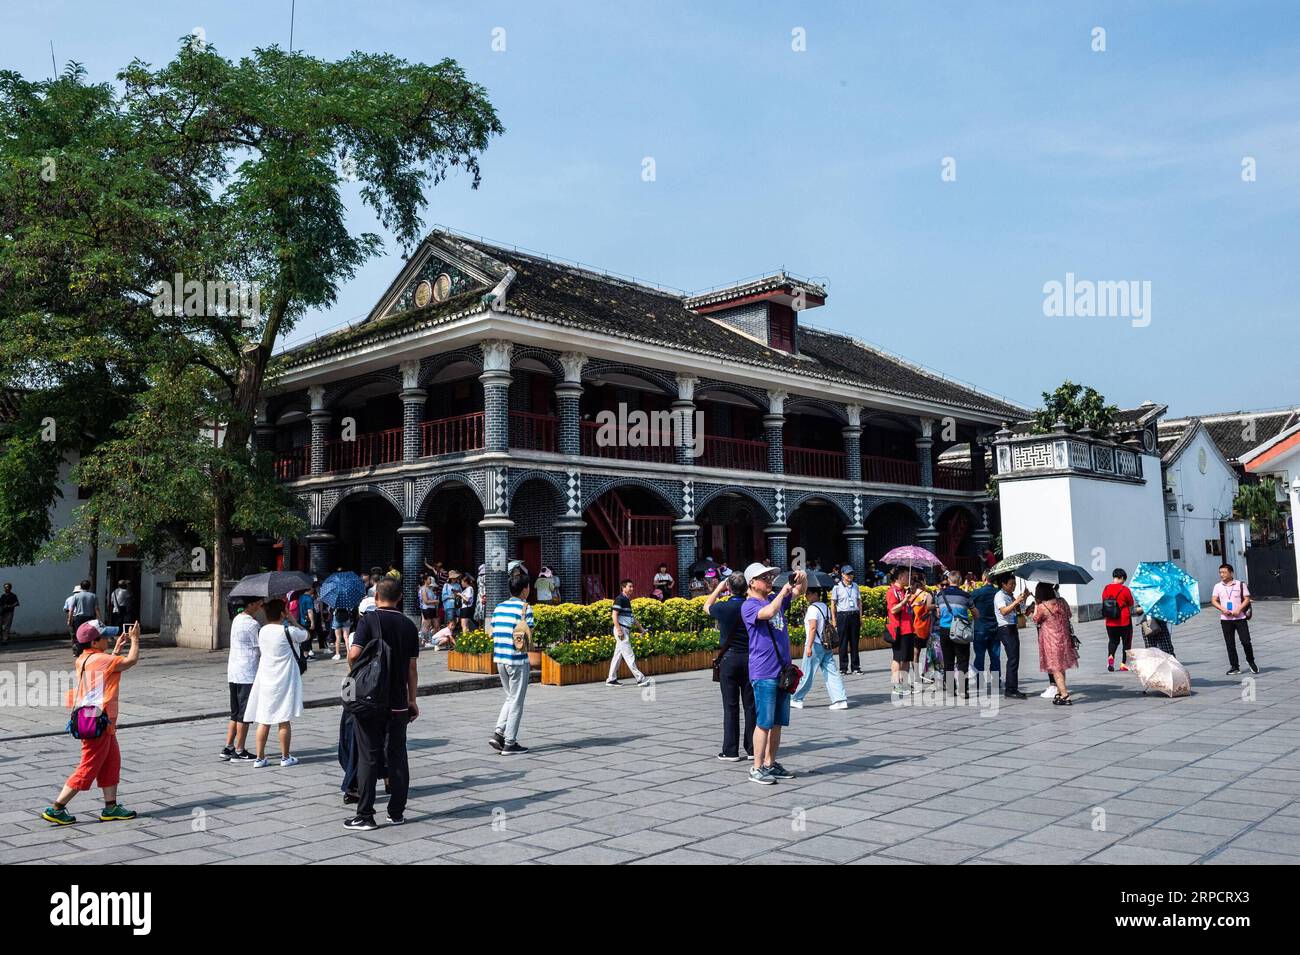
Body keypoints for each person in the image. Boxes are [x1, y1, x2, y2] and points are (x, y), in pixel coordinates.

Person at [42, 620, 141, 825]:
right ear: (94, 642)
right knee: (88, 766)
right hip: (96, 720)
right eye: (105, 637)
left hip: (94, 718)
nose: (109, 639)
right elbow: (131, 661)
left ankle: (111, 807)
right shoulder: (101, 659)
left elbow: (105, 669)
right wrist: (135, 640)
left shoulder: (84, 658)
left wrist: (116, 649)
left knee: (111, 762)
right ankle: (57, 808)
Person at [344, 577, 420, 831]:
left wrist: (355, 669)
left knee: (369, 755)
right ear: (400, 598)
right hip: (398, 702)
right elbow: (412, 668)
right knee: (397, 755)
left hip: (370, 700)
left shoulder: (368, 620)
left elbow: (354, 654)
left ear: (376, 597)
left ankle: (365, 815)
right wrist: (412, 699)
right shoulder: (408, 625)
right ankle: (396, 812)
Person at [741, 563, 805, 785]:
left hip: (782, 672)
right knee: (764, 722)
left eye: (770, 577)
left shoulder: (772, 598)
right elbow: (768, 613)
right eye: (765, 578)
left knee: (777, 722)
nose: (769, 581)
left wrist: (802, 577)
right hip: (764, 672)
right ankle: (756, 767)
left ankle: (770, 763)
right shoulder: (749, 605)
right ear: (752, 583)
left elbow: (800, 591)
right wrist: (782, 592)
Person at [241, 597, 310, 767]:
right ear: (282, 613)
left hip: (266, 678)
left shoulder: (263, 631)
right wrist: (293, 620)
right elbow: (306, 634)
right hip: (284, 679)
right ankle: (285, 757)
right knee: (283, 718)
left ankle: (260, 758)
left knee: (264, 719)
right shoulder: (289, 631)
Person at [705, 572, 754, 761]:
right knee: (751, 706)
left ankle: (731, 750)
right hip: (750, 658)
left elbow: (706, 606)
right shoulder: (751, 605)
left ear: (729, 588)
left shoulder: (723, 607)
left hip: (729, 659)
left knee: (730, 706)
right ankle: (752, 748)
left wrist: (719, 587)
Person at [490, 570, 534, 755]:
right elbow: (529, 634)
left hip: (500, 659)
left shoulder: (498, 607)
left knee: (510, 697)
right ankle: (510, 742)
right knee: (516, 701)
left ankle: (499, 733)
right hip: (517, 660)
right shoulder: (525, 608)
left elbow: (492, 631)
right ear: (525, 590)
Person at [791, 584, 848, 710]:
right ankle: (840, 699)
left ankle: (796, 698)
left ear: (815, 594)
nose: (806, 596)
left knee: (806, 674)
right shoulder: (825, 607)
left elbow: (812, 628)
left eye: (808, 594)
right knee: (832, 672)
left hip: (815, 645)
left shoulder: (812, 609)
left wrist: (809, 646)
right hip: (826, 644)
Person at [221, 598, 263, 762]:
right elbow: (260, 648)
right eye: (258, 602)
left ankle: (228, 746)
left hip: (234, 671)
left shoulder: (237, 619)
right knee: (244, 714)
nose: (260, 604)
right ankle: (240, 750)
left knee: (235, 712)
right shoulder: (252, 624)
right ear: (250, 604)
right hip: (248, 672)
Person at [1032, 582, 1078, 704]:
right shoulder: (1062, 602)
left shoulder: (1042, 607)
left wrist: (1036, 605)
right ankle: (1059, 692)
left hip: (1051, 641)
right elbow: (1069, 614)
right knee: (1061, 666)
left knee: (1056, 668)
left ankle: (1065, 696)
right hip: (1064, 638)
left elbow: (1035, 619)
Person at [936, 570, 976, 698]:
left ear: (949, 580)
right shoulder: (966, 596)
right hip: (960, 630)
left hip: (944, 630)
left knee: (948, 661)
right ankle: (963, 690)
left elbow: (938, 614)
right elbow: (975, 614)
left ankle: (950, 689)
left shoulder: (940, 595)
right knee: (962, 661)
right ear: (960, 581)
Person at [1212, 563, 1257, 675]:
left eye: (1224, 572)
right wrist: (1222, 609)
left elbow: (1247, 598)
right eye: (1220, 572)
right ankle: (1234, 666)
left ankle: (1250, 660)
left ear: (1231, 573)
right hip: (1225, 619)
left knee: (1246, 641)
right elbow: (1214, 600)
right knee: (1230, 644)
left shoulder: (1240, 584)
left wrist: (1239, 609)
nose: (1222, 574)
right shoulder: (1217, 586)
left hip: (1240, 618)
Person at [607, 579, 649, 686]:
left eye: (632, 586)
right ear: (623, 588)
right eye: (629, 586)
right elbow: (614, 615)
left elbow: (632, 618)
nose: (632, 588)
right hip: (621, 630)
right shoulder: (620, 599)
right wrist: (619, 630)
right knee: (629, 655)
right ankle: (640, 679)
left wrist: (642, 629)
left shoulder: (626, 600)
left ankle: (611, 679)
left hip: (624, 629)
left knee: (617, 656)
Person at [995, 576, 1030, 699]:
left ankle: (1012, 687)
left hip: (1012, 627)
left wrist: (1024, 598)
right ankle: (1010, 689)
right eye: (1011, 584)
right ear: (1003, 584)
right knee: (1012, 658)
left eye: (1014, 584)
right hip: (1005, 628)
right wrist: (1016, 601)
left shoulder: (1009, 595)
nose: (1013, 586)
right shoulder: (1000, 596)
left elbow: (1018, 609)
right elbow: (1004, 611)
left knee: (1015, 657)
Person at [969, 570, 1002, 689]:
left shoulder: (977, 592)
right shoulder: (998, 592)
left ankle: (979, 681)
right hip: (995, 628)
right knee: (995, 656)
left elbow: (968, 602)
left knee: (979, 656)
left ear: (984, 578)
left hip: (980, 628)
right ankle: (996, 681)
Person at [885, 567, 915, 695]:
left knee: (907, 658)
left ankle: (905, 683)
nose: (909, 578)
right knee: (897, 658)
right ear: (900, 577)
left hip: (909, 628)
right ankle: (897, 685)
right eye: (907, 576)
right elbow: (893, 610)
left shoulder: (904, 591)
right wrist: (904, 601)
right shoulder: (892, 591)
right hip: (899, 630)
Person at [1101, 568, 1137, 672]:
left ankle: (1111, 657)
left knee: (1113, 641)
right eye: (1124, 580)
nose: (1124, 582)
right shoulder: (1125, 589)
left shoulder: (1106, 588)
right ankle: (1123, 664)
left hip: (1110, 621)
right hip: (1124, 620)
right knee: (1126, 642)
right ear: (1121, 578)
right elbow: (1131, 603)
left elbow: (1104, 601)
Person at [830, 564, 863, 675]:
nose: (850, 576)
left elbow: (859, 602)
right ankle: (843, 668)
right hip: (842, 616)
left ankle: (856, 667)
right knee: (843, 643)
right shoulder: (837, 587)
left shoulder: (855, 586)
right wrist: (834, 619)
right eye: (848, 574)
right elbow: (833, 604)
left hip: (854, 615)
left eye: (851, 573)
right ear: (842, 575)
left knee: (855, 642)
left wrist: (860, 617)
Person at [910, 574, 936, 685]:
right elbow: (929, 607)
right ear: (922, 582)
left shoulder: (910, 596)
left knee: (915, 652)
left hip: (913, 627)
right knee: (930, 652)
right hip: (925, 626)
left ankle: (916, 676)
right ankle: (930, 674)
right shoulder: (927, 594)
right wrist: (937, 605)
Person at [66, 581, 99, 657]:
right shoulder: (93, 596)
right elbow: (96, 609)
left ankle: (79, 652)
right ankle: (89, 651)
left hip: (79, 618)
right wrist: (99, 619)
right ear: (89, 587)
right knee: (90, 635)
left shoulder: (76, 596)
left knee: (79, 635)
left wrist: (69, 619)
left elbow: (71, 609)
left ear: (81, 587)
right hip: (90, 618)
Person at [297, 584, 319, 660]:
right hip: (307, 621)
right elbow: (310, 611)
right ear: (310, 588)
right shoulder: (309, 598)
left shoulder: (301, 597)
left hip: (301, 620)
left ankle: (304, 654)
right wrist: (312, 622)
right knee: (308, 637)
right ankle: (306, 655)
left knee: (304, 637)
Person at [418, 574, 440, 646]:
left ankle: (431, 640)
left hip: (433, 609)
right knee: (427, 626)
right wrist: (435, 601)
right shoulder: (423, 589)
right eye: (429, 579)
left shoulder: (430, 589)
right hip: (427, 609)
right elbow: (426, 601)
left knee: (436, 625)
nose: (430, 580)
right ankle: (426, 641)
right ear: (425, 580)